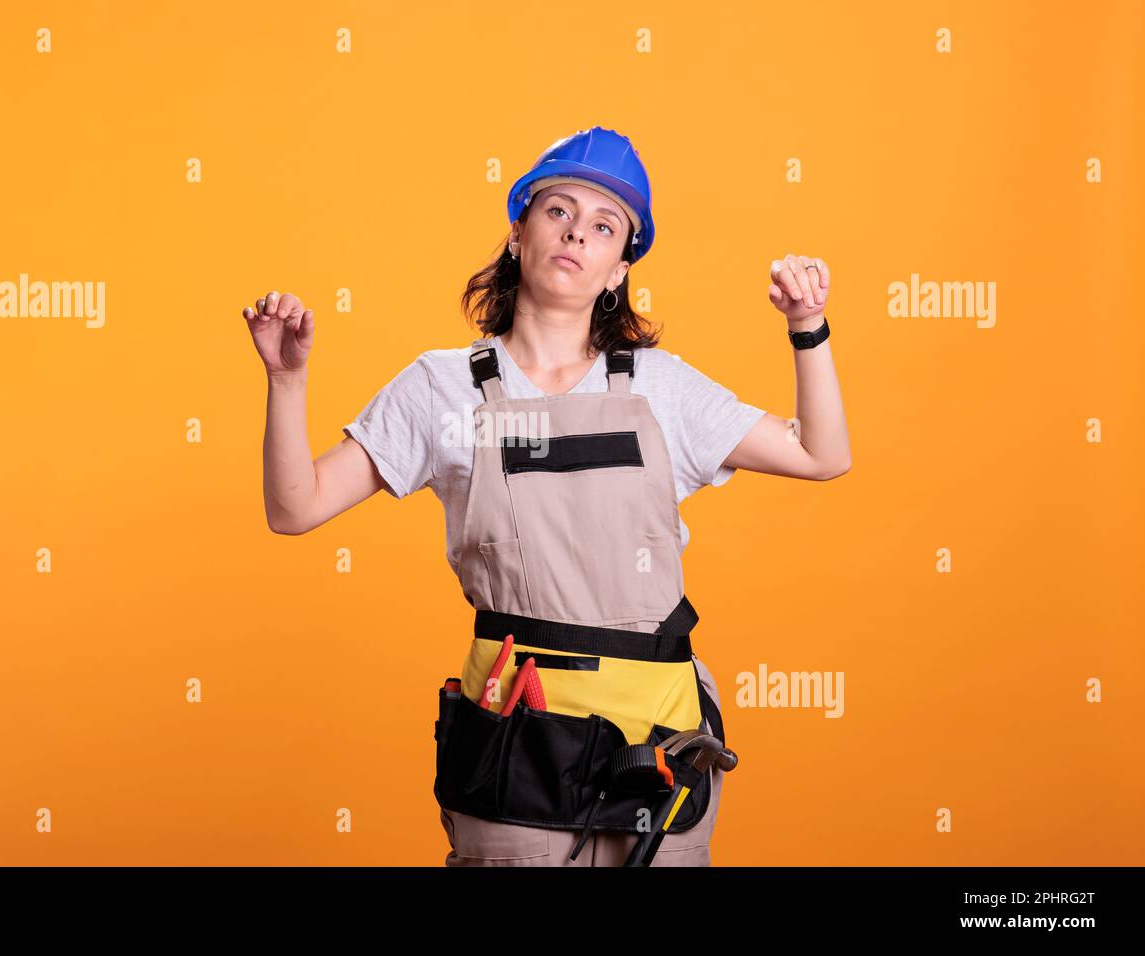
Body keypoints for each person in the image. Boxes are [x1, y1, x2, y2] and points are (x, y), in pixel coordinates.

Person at [243, 127, 851, 867]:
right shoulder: (440, 387)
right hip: (514, 747)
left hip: (655, 751)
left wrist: (806, 328)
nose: (576, 234)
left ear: (620, 267)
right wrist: (287, 381)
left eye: (604, 227)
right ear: (518, 232)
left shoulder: (663, 388)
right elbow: (294, 508)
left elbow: (823, 455)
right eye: (558, 211)